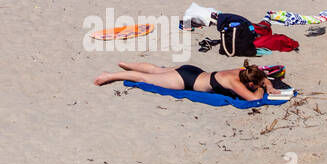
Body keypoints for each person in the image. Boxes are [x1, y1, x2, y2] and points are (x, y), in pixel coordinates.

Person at [93, 60, 270, 100]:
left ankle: (127, 64)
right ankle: (110, 75)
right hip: (185, 81)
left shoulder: (241, 71)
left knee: (157, 70)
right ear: (250, 83)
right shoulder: (234, 82)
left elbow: (262, 75)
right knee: (145, 78)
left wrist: (266, 83)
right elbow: (254, 100)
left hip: (193, 71)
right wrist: (262, 89)